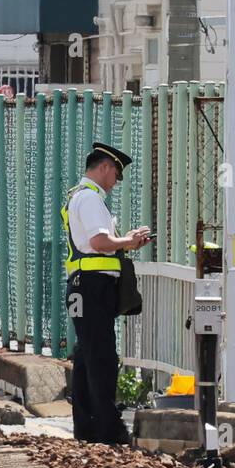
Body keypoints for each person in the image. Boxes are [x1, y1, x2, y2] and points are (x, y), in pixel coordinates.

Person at [62, 142, 151, 445]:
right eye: (115, 174)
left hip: (80, 287)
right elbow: (100, 243)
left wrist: (125, 241)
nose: (115, 182)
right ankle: (108, 429)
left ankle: (86, 427)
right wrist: (128, 240)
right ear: (103, 167)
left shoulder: (78, 197)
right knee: (101, 356)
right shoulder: (90, 199)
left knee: (87, 355)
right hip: (92, 287)